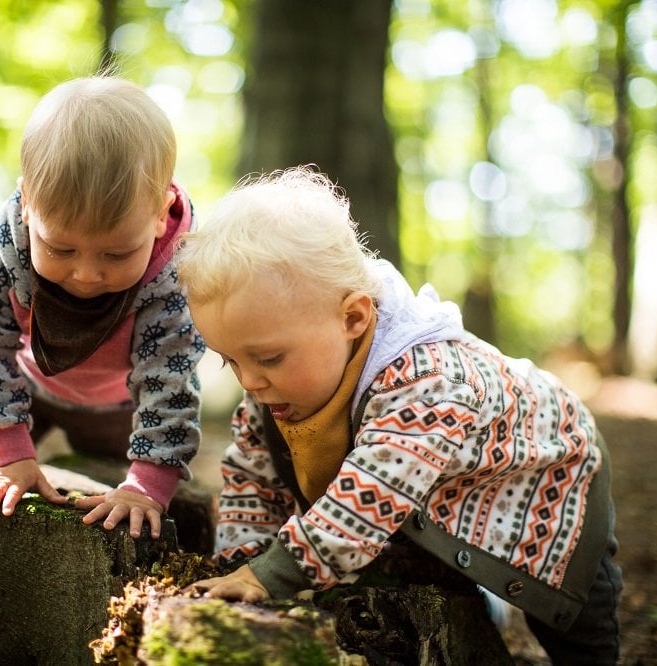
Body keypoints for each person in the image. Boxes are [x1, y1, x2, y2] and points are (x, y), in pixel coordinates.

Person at [176, 167, 622, 664]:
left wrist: (273, 574)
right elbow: (252, 478)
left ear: (353, 318)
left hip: (555, 485)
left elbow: (367, 498)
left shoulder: (427, 384)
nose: (249, 381)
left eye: (269, 358)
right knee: (424, 573)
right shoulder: (274, 387)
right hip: (444, 493)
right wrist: (243, 567)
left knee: (577, 633)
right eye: (229, 359)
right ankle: (471, 598)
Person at [0, 75, 203, 539]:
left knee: (131, 485)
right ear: (27, 205)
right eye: (61, 249)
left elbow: (171, 380)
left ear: (161, 215)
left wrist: (146, 485)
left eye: (117, 254)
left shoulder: (177, 277)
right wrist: (7, 455)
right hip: (24, 383)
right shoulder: (0, 253)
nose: (86, 274)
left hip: (114, 405)